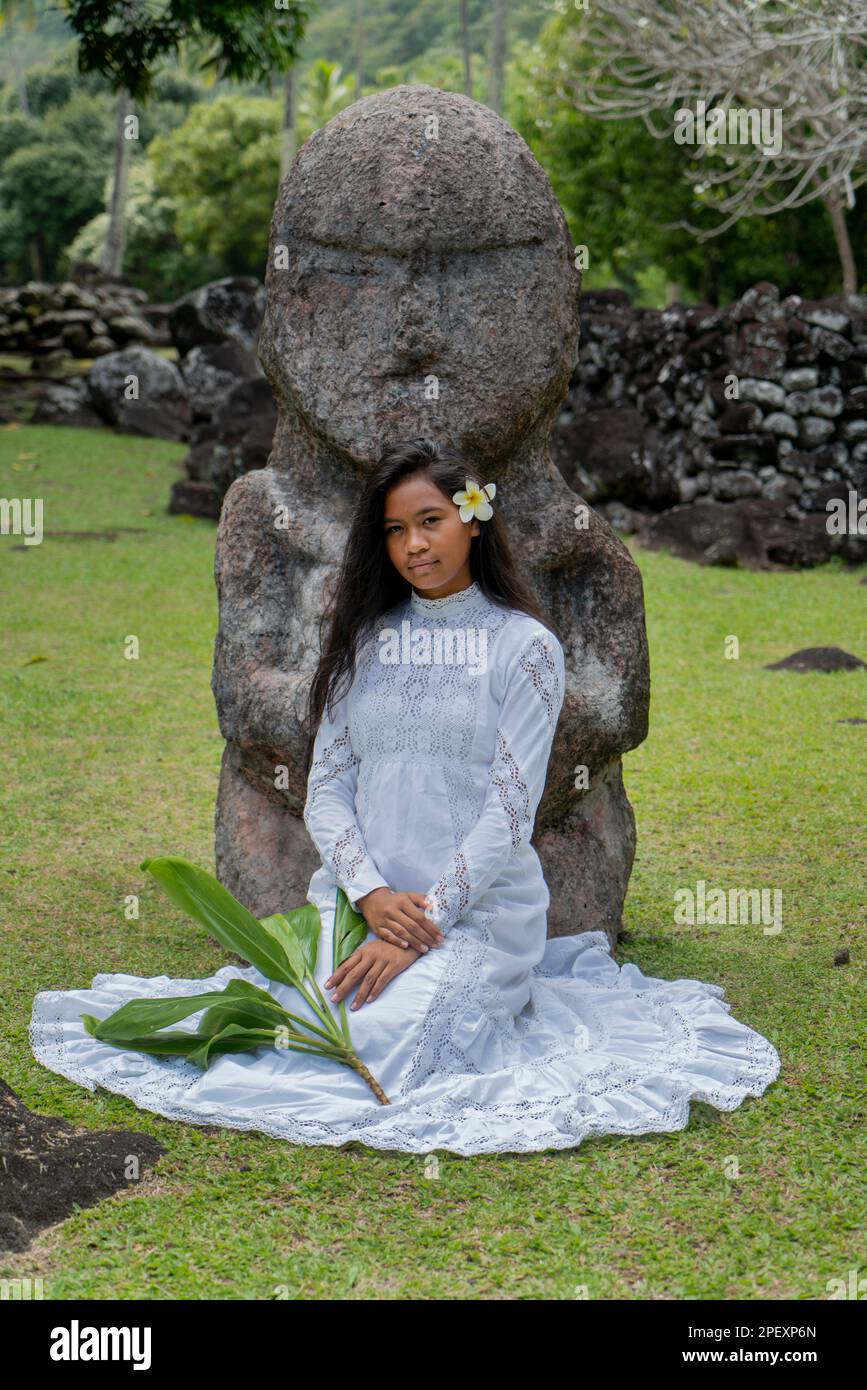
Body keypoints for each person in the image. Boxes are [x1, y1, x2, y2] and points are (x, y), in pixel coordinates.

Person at [29, 437, 781, 1156]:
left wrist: (421, 920)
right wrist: (370, 895)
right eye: (395, 530)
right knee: (313, 1027)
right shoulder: (364, 641)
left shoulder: (524, 648)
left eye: (431, 521)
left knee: (398, 1041)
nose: (414, 545)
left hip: (475, 915)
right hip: (360, 904)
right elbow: (325, 791)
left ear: (473, 520)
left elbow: (510, 810)